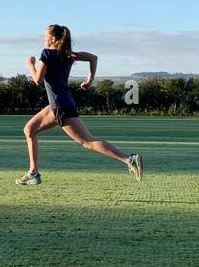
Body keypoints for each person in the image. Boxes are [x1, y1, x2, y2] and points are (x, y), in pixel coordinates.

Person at [15, 24, 142, 185]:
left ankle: (129, 159)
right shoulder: (68, 55)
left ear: (52, 39)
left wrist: (30, 65)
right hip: (58, 105)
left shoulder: (46, 54)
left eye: (45, 36)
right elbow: (93, 58)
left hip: (60, 106)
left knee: (88, 142)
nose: (43, 39)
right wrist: (90, 79)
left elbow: (38, 80)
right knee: (29, 129)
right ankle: (33, 173)